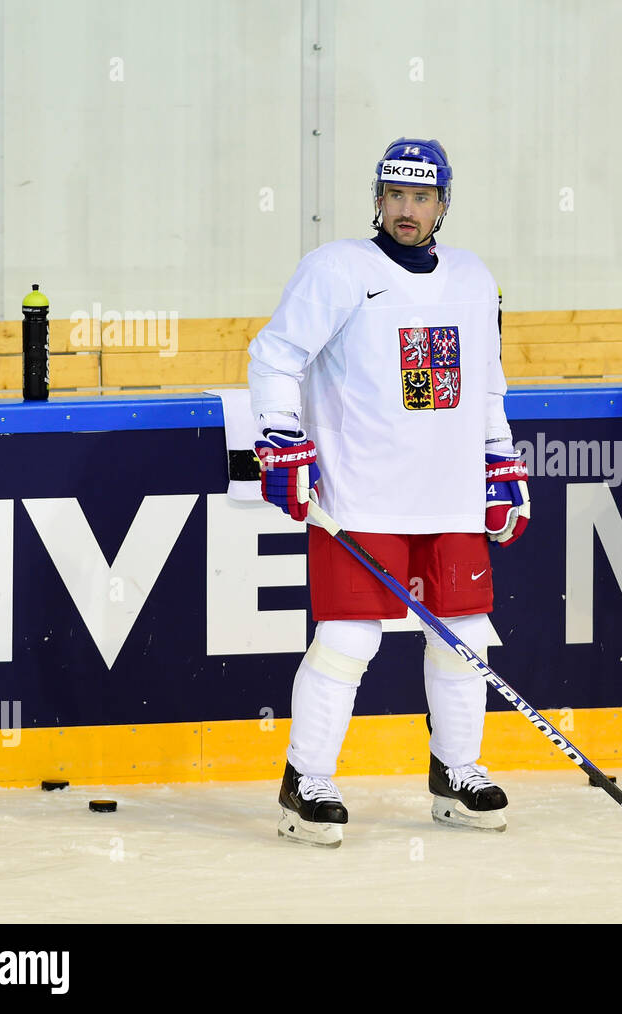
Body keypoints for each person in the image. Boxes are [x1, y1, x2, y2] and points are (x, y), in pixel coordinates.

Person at [248, 137, 530, 847]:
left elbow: (488, 384)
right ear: (378, 198)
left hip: (451, 496)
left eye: (422, 197)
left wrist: (499, 460)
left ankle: (456, 772)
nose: (408, 210)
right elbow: (276, 355)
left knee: (466, 639)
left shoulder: (471, 278)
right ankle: (304, 781)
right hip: (360, 494)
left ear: (443, 204)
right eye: (396, 195)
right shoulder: (337, 269)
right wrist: (281, 437)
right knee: (348, 639)